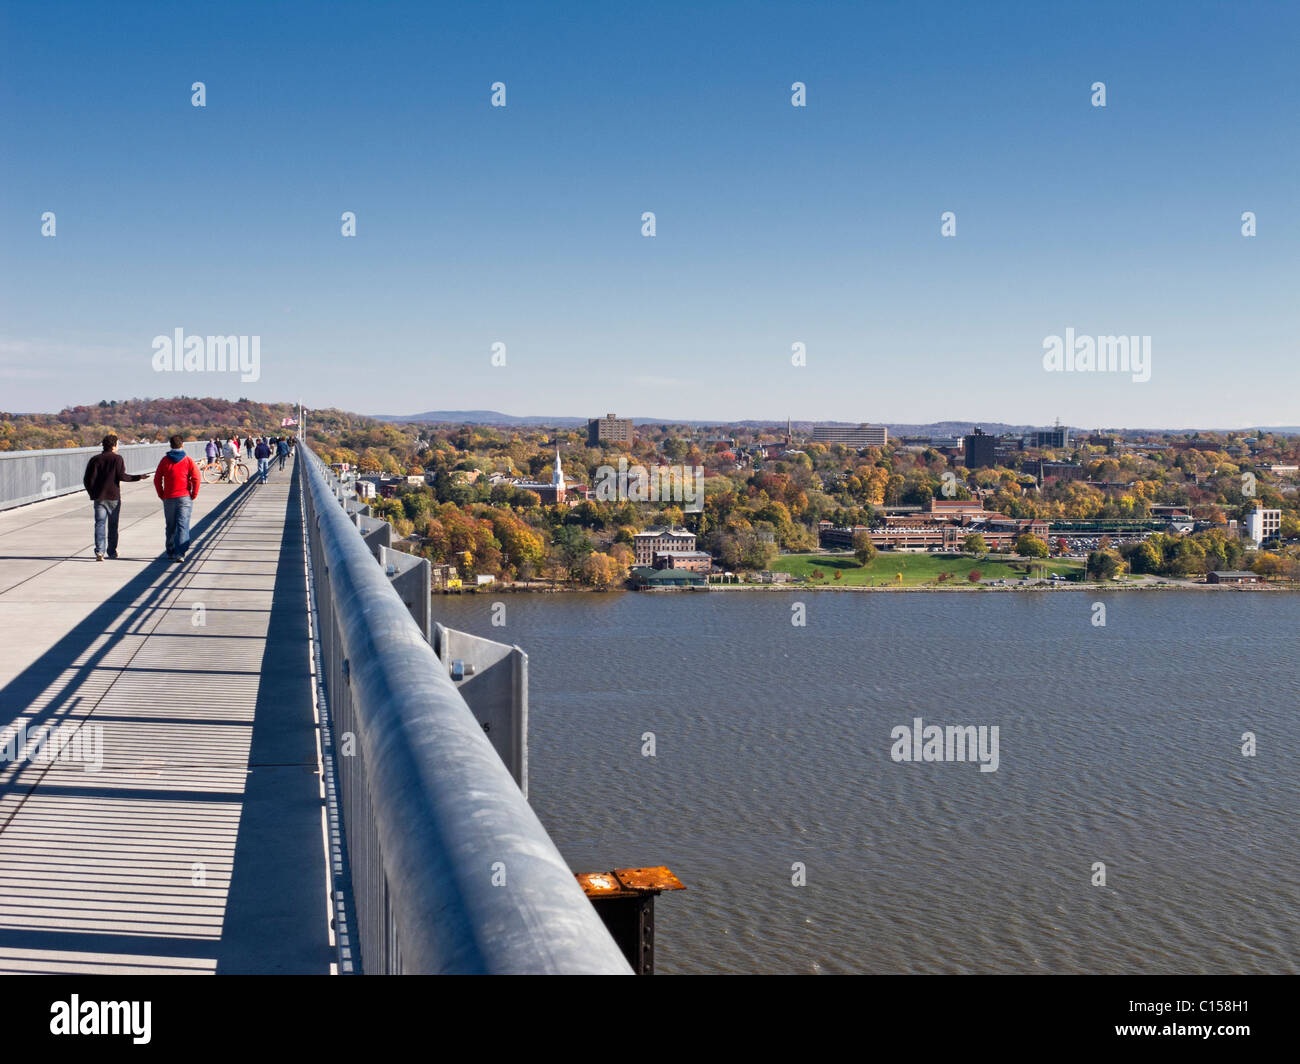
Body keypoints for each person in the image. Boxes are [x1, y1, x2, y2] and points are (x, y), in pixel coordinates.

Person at [83, 434, 148, 560]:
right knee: (113, 525)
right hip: (113, 497)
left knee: (99, 524)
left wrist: (92, 493)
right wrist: (139, 477)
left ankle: (100, 551)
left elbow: (87, 479)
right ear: (114, 446)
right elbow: (122, 476)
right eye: (117, 444)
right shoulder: (117, 459)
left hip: (99, 497)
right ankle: (112, 552)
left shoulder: (95, 459)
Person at [154, 435, 200, 562]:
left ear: (170, 446)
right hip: (184, 497)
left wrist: (161, 494)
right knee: (183, 525)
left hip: (169, 497)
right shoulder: (188, 460)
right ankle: (181, 553)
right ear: (182, 445)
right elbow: (196, 478)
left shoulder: (164, 460)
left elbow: (157, 479)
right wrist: (194, 494)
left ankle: (171, 551)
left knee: (170, 525)